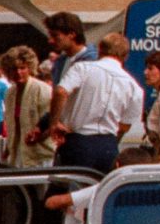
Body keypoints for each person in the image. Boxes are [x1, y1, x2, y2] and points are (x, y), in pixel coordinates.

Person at [51, 32, 144, 175]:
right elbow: (125, 125)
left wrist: (55, 122)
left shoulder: (82, 68)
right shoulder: (134, 86)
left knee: (62, 190)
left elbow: (60, 92)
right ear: (125, 56)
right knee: (101, 191)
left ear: (100, 49)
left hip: (78, 141)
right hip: (108, 144)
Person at [3, 47, 55, 169]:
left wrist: (38, 137)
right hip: (17, 154)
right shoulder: (9, 93)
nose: (18, 72)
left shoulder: (42, 89)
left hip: (40, 155)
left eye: (22, 68)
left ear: (30, 68)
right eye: (14, 69)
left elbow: (51, 122)